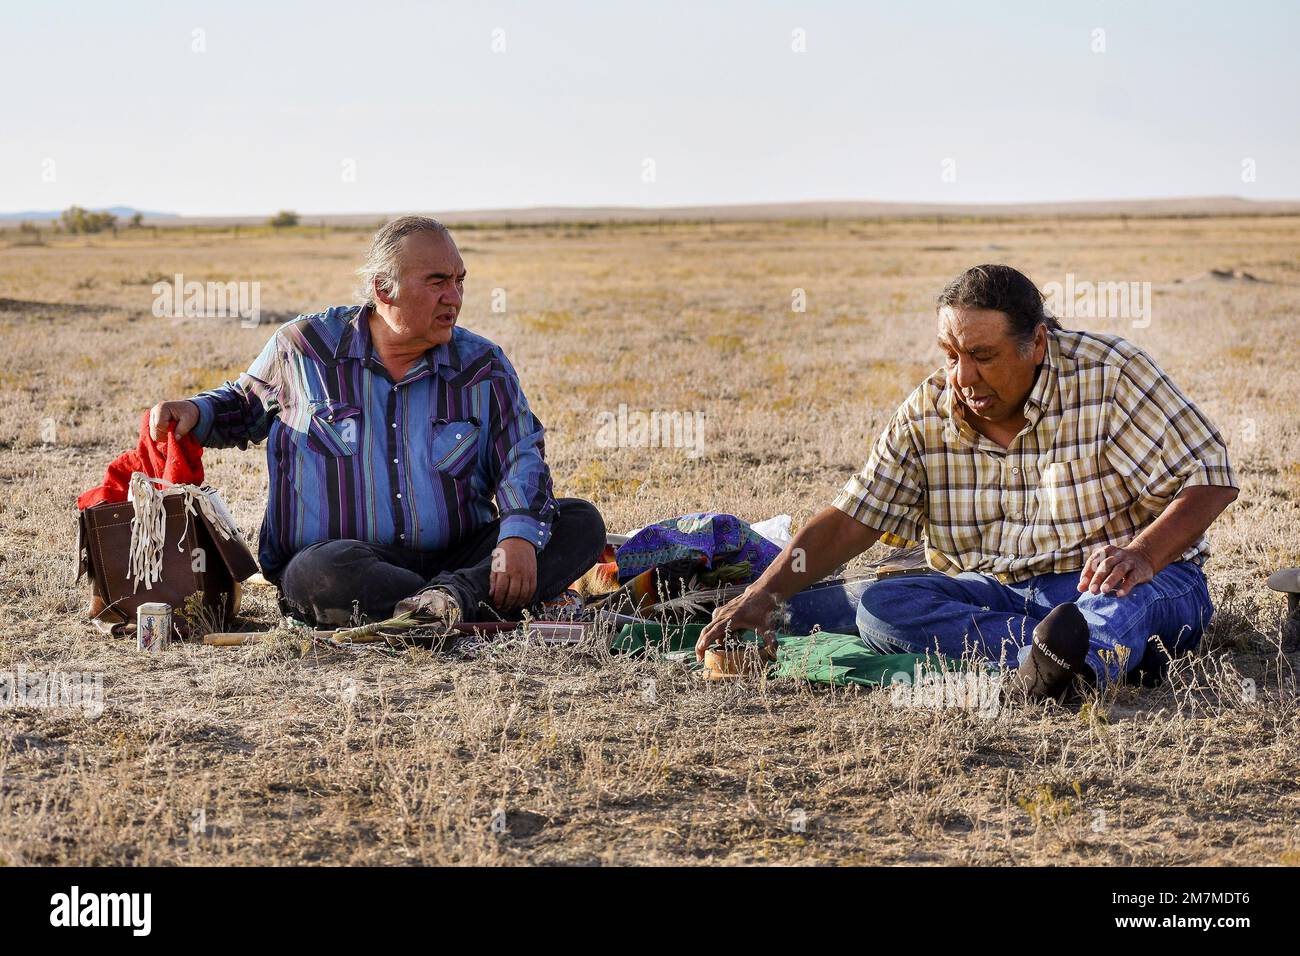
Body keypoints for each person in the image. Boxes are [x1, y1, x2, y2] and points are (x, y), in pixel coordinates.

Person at [697, 264, 1239, 700]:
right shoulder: (928, 409)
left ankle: (1078, 663)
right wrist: (762, 595)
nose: (963, 376)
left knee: (1121, 604)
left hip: (1130, 581)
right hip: (994, 594)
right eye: (951, 355)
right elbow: (851, 520)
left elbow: (1210, 477)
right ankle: (1050, 659)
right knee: (880, 607)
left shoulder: (1110, 372)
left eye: (982, 356)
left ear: (1038, 344)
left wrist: (1141, 554)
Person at [148, 216, 605, 627]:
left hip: (460, 556)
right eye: (437, 282)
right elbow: (243, 406)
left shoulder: (482, 365)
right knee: (317, 574)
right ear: (384, 289)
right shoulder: (304, 348)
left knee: (579, 523)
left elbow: (522, 455)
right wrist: (195, 411)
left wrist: (518, 538)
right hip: (347, 565)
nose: (455, 297)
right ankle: (457, 603)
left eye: (460, 281)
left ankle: (445, 601)